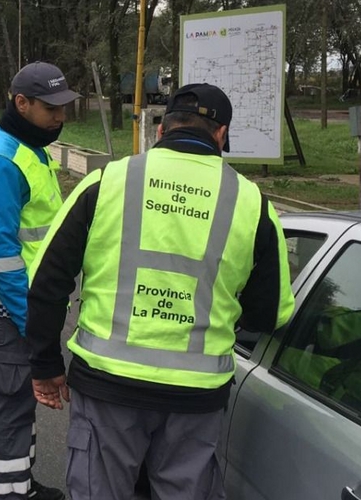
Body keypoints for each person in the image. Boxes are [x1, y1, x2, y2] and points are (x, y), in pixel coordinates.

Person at [26, 83, 296, 500]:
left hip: (108, 386)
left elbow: (48, 280)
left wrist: (45, 363)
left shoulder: (107, 181)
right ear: (221, 135)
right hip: (196, 397)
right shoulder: (252, 202)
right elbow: (270, 312)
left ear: (160, 130)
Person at [0, 61, 79, 500]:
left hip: (26, 303)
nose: (60, 118)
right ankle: (7, 493)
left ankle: (19, 483)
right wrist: (33, 321)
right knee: (9, 402)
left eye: (64, 108)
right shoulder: (2, 160)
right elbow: (2, 255)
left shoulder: (29, 149)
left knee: (20, 398)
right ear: (21, 104)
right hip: (13, 307)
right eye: (51, 109)